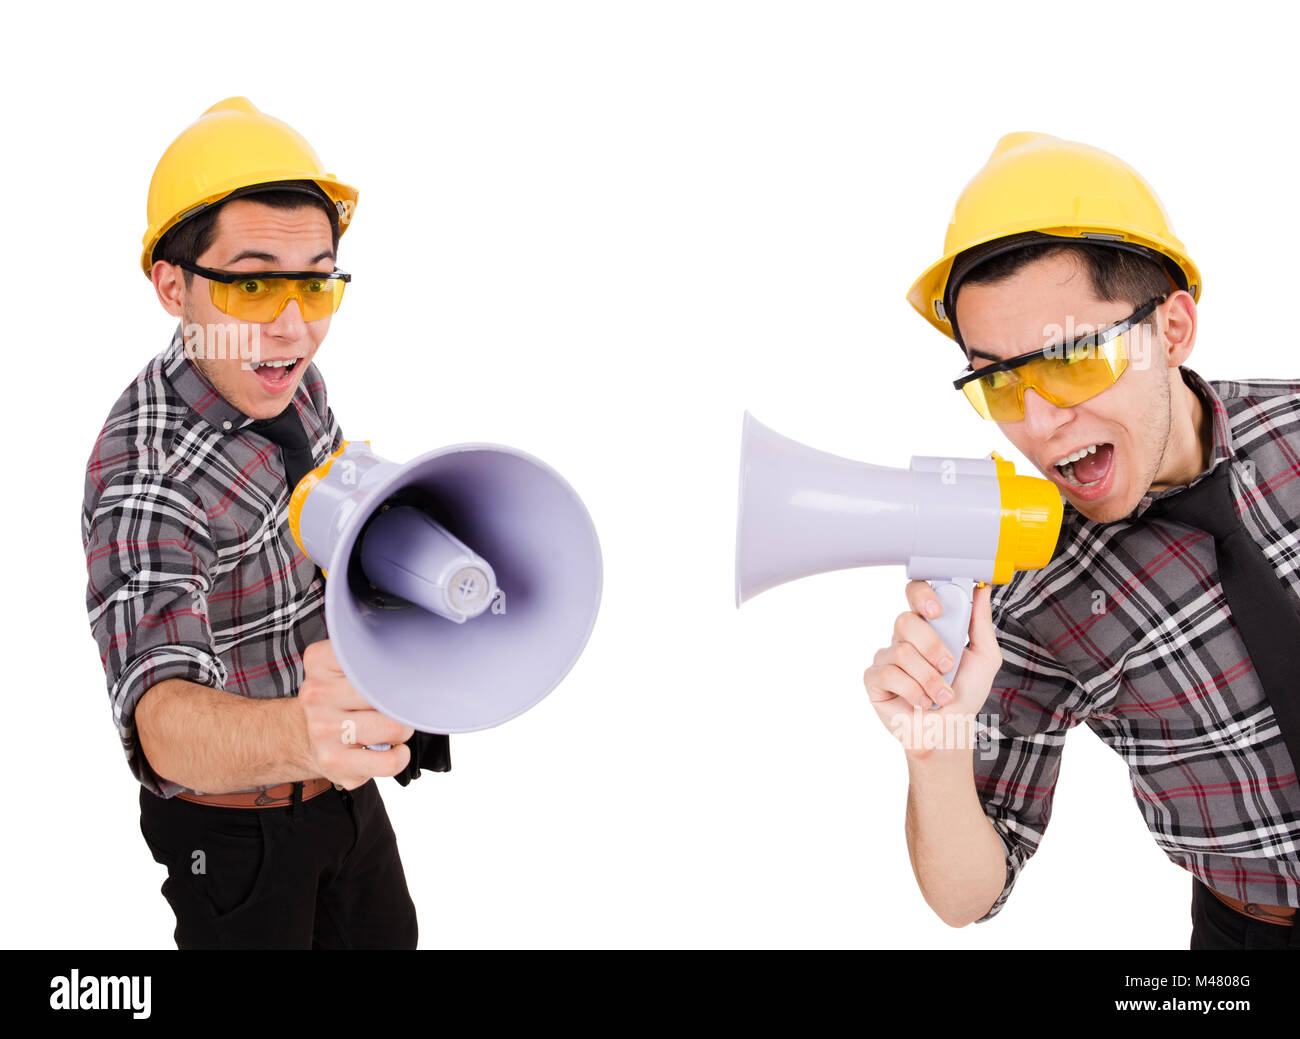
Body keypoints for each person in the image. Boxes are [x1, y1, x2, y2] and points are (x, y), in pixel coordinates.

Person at [865, 132, 1300, 949]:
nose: (1036, 421)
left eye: (1069, 356)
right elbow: (967, 893)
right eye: (996, 377)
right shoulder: (1030, 592)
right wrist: (934, 742)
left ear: (1172, 330)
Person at [82, 97, 447, 949]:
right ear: (174, 285)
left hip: (345, 794)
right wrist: (303, 733)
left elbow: (326, 520)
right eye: (252, 282)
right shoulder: (146, 471)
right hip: (234, 841)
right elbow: (161, 723)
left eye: (316, 278)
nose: (295, 325)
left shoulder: (287, 377)